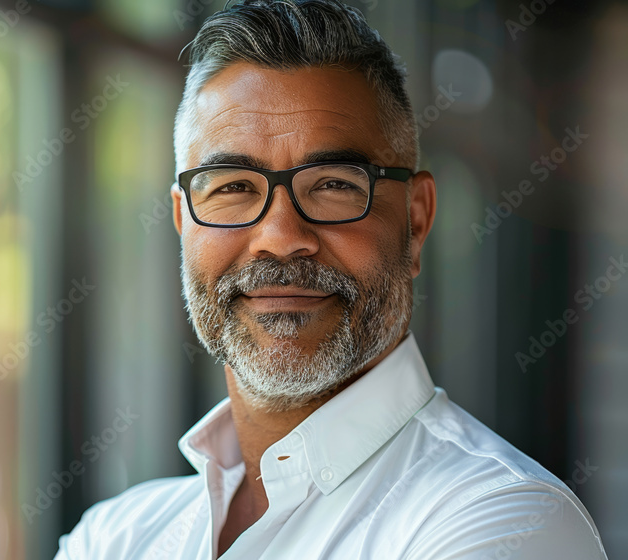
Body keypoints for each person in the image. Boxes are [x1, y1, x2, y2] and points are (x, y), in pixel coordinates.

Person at [54, 0, 608, 558]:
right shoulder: (114, 536)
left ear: (415, 221)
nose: (279, 235)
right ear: (183, 223)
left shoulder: (505, 521)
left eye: (334, 184)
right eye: (231, 187)